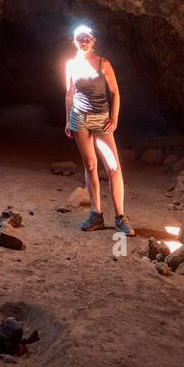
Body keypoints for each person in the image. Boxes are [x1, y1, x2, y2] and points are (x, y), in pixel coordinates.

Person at [64, 23, 134, 235]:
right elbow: (69, 93)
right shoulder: (70, 64)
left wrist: (114, 117)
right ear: (75, 41)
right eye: (80, 38)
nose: (83, 41)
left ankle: (121, 216)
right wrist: (68, 119)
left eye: (87, 38)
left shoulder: (103, 63)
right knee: (91, 165)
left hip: (100, 120)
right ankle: (96, 215)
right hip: (79, 119)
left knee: (113, 167)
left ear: (93, 40)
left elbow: (116, 93)